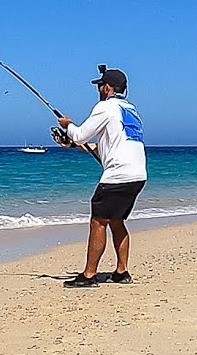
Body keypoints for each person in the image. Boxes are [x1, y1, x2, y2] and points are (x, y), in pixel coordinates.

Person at [54, 66, 147, 288]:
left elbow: (80, 134)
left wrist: (68, 126)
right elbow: (102, 145)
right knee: (116, 221)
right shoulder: (130, 110)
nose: (98, 89)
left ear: (107, 87)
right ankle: (121, 272)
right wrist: (71, 145)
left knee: (98, 222)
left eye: (99, 85)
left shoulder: (105, 107)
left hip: (118, 175)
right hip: (137, 174)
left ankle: (88, 275)